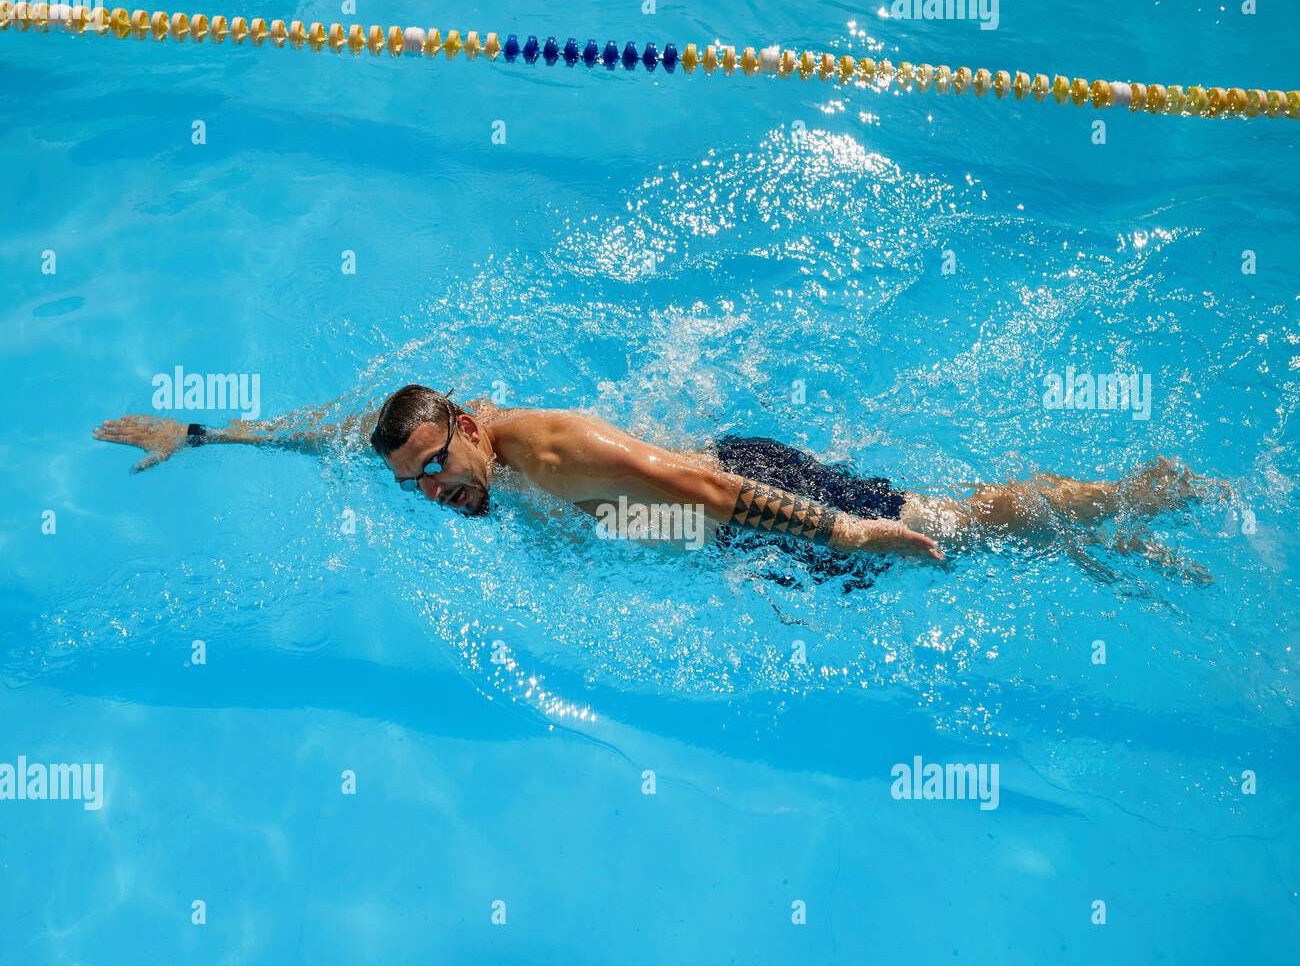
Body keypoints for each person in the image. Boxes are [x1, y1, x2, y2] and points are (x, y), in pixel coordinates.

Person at [93, 384, 1218, 572]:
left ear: (474, 428)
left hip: (757, 509)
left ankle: (1138, 492)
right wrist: (197, 434)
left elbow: (704, 490)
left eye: (438, 467)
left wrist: (837, 534)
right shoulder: (433, 451)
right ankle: (1106, 539)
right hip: (724, 529)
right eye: (416, 485)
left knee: (949, 531)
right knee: (963, 548)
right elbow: (336, 435)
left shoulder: (562, 456)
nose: (433, 491)